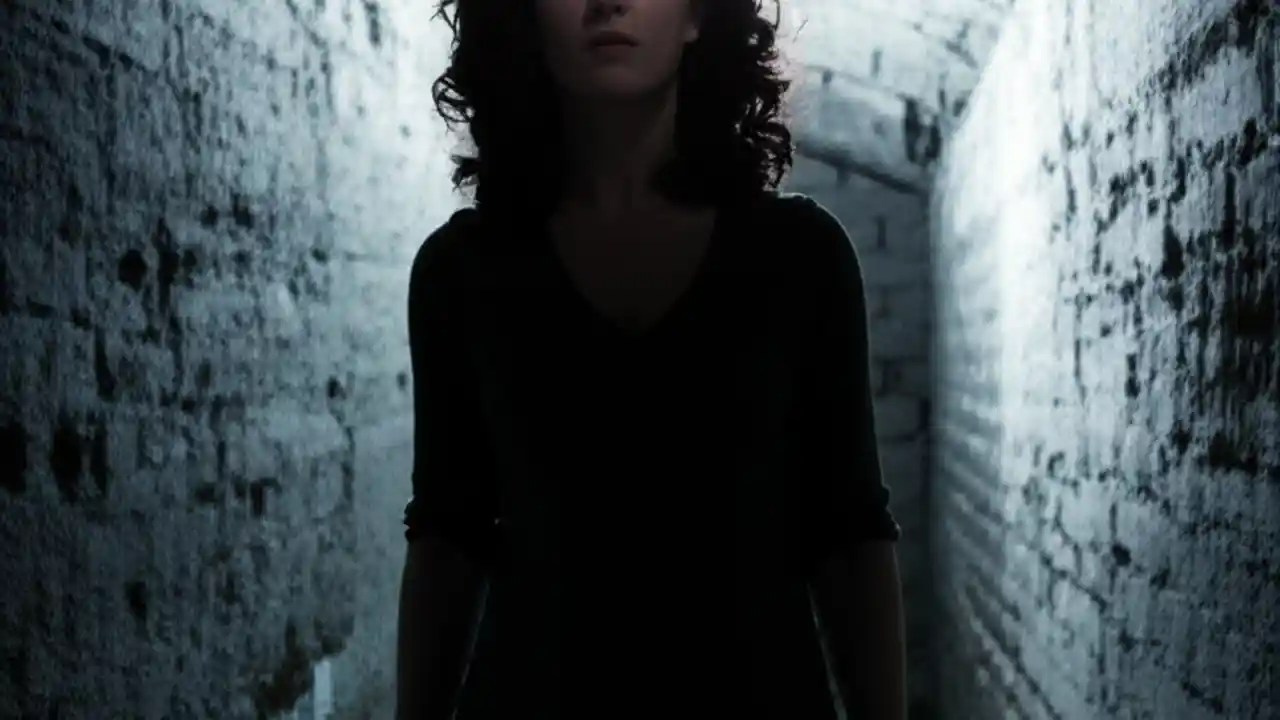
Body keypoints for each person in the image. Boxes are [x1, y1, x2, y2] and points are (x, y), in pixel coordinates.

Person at [395, 1, 907, 718]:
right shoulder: (463, 271)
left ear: (699, 17)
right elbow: (448, 539)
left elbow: (849, 534)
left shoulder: (800, 257)